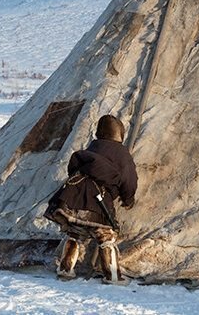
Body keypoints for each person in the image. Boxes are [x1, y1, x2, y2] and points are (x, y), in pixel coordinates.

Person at [44, 114, 138, 284]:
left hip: (72, 197)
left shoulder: (92, 148)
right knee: (105, 236)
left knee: (74, 233)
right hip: (97, 200)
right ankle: (113, 276)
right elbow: (129, 180)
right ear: (119, 134)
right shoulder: (121, 154)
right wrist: (128, 199)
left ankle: (65, 269)